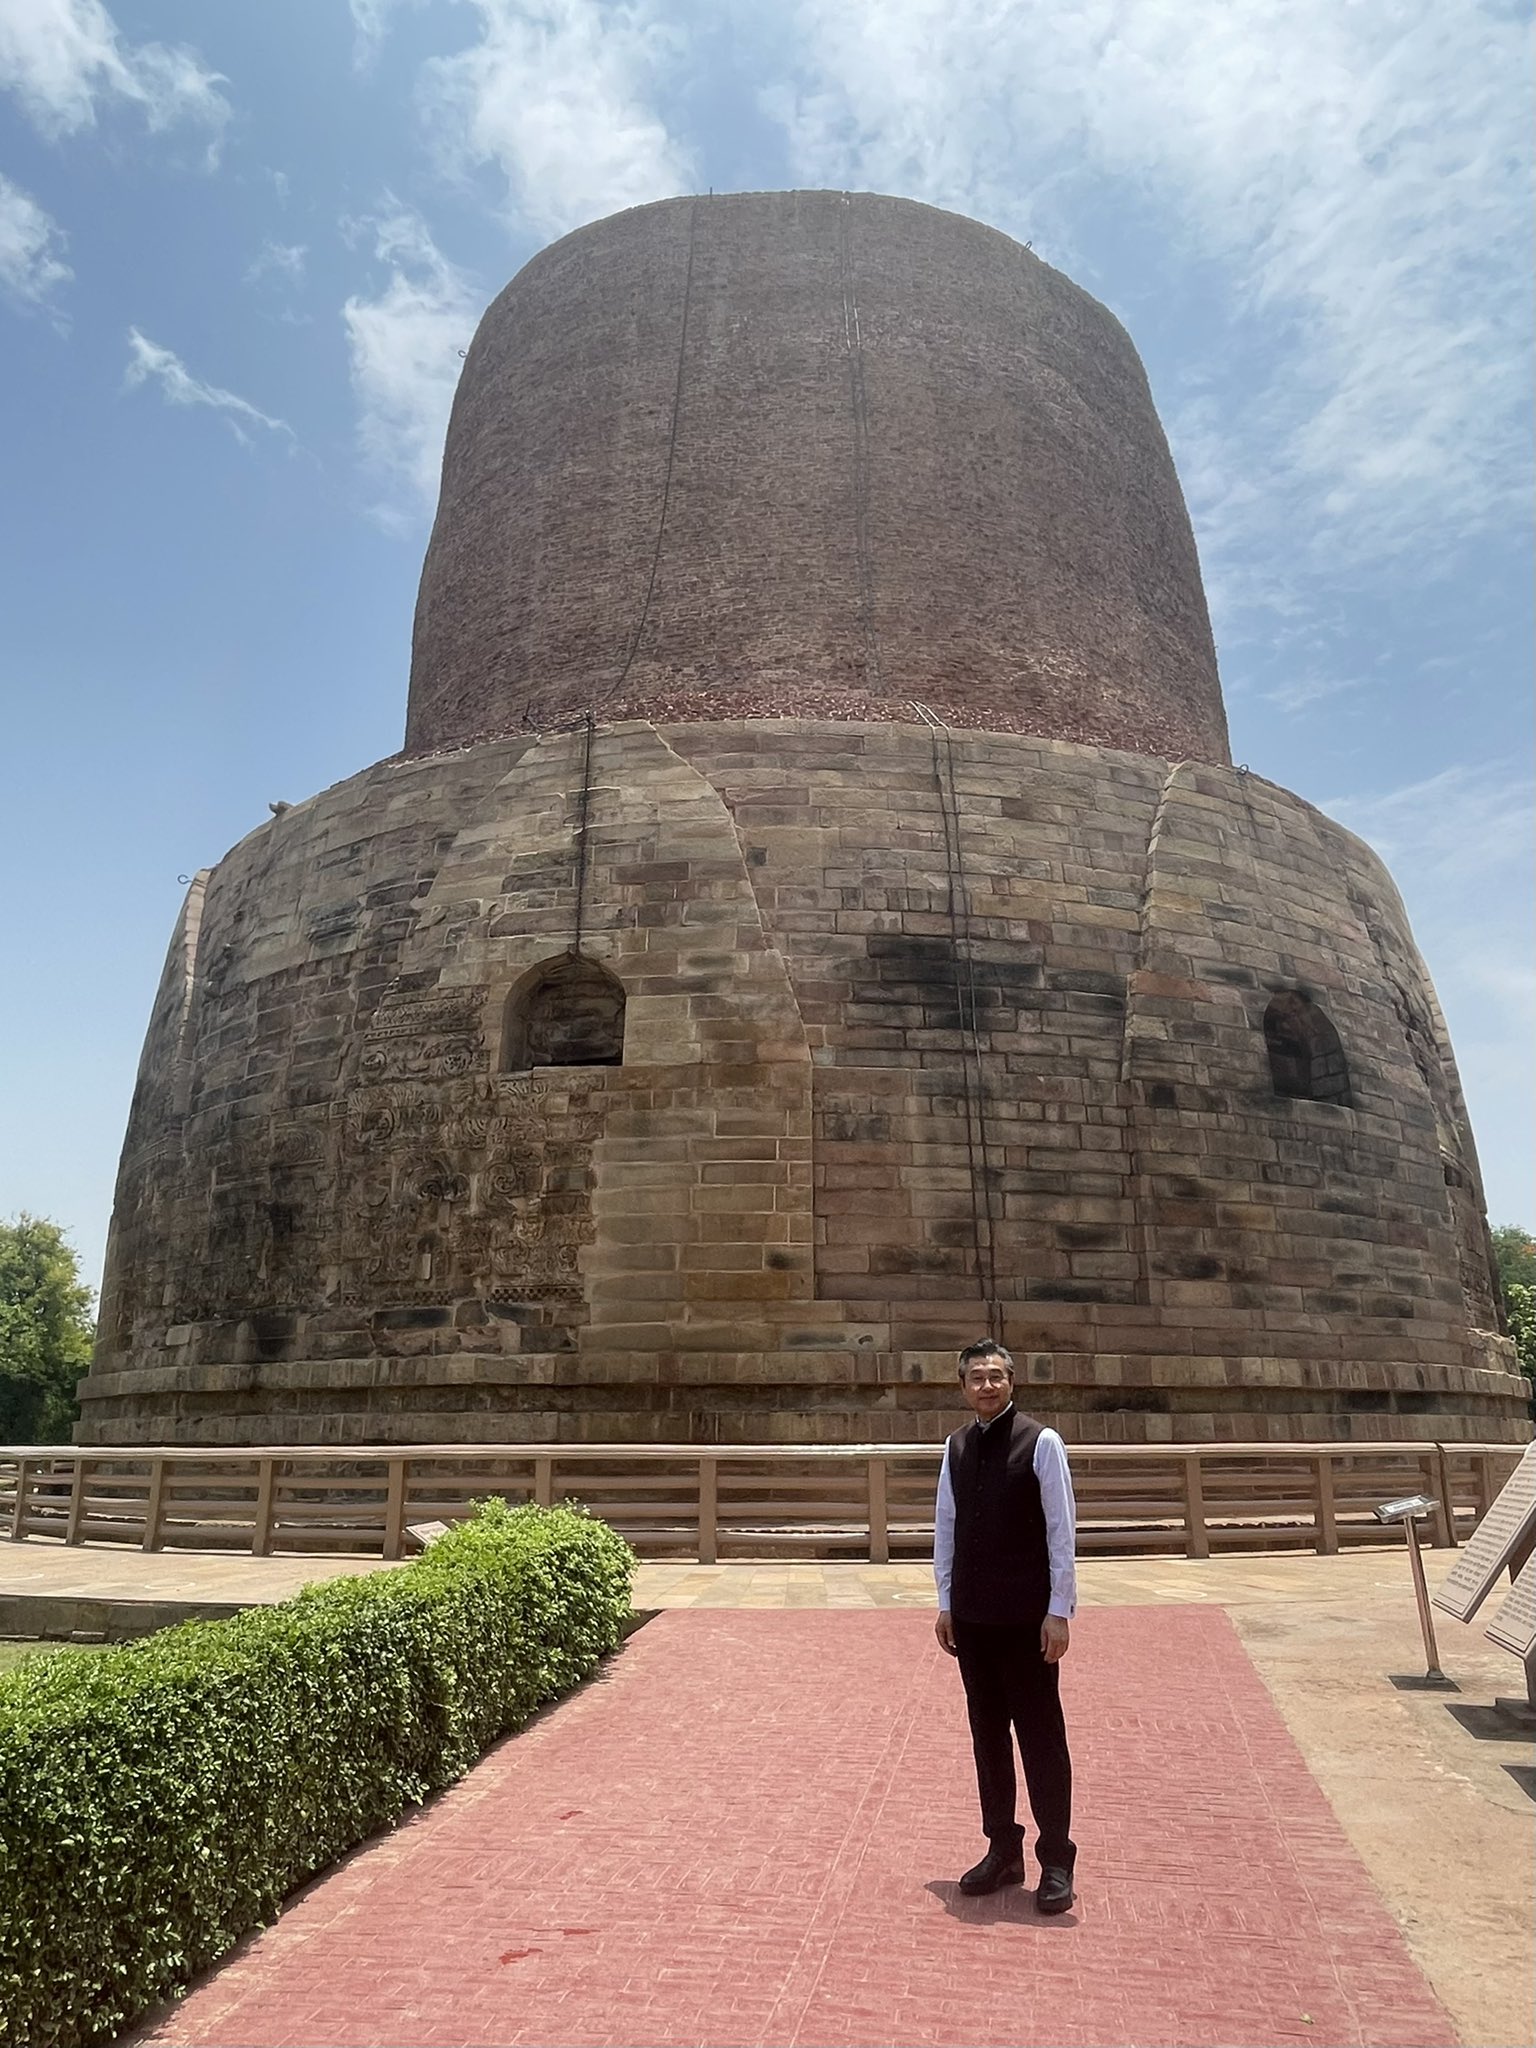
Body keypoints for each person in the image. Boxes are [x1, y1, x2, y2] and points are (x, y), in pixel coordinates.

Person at [933, 1338, 1078, 1914]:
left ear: (1012, 1381)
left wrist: (1059, 1609)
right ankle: (1002, 1848)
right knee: (988, 1738)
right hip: (973, 1618)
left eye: (996, 1376)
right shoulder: (957, 1446)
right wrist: (946, 1602)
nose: (986, 1386)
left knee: (1041, 1739)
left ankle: (1057, 1859)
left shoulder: (1041, 1443)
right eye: (976, 1378)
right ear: (963, 1387)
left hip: (1027, 1620)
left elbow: (1061, 1531)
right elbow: (947, 1526)